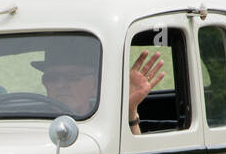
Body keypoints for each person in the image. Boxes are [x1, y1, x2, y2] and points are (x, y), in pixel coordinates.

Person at [33, 41, 166, 134]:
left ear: (95, 84)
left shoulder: (106, 120)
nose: (61, 85)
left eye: (72, 77)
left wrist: (129, 108)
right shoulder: (31, 120)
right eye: (52, 78)